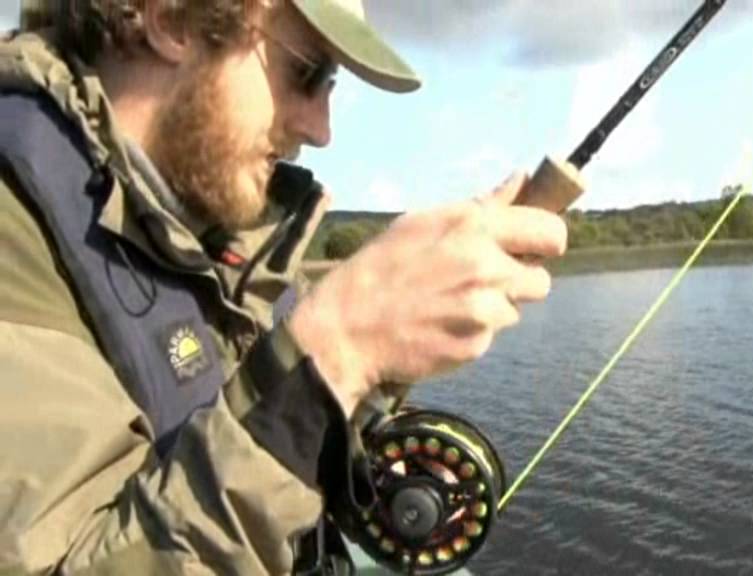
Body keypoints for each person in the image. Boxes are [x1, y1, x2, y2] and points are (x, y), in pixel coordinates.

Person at [0, 0, 568, 574]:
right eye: (307, 73)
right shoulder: (12, 233)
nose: (321, 129)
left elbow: (244, 439)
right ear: (169, 19)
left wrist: (366, 409)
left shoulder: (218, 234)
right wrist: (341, 352)